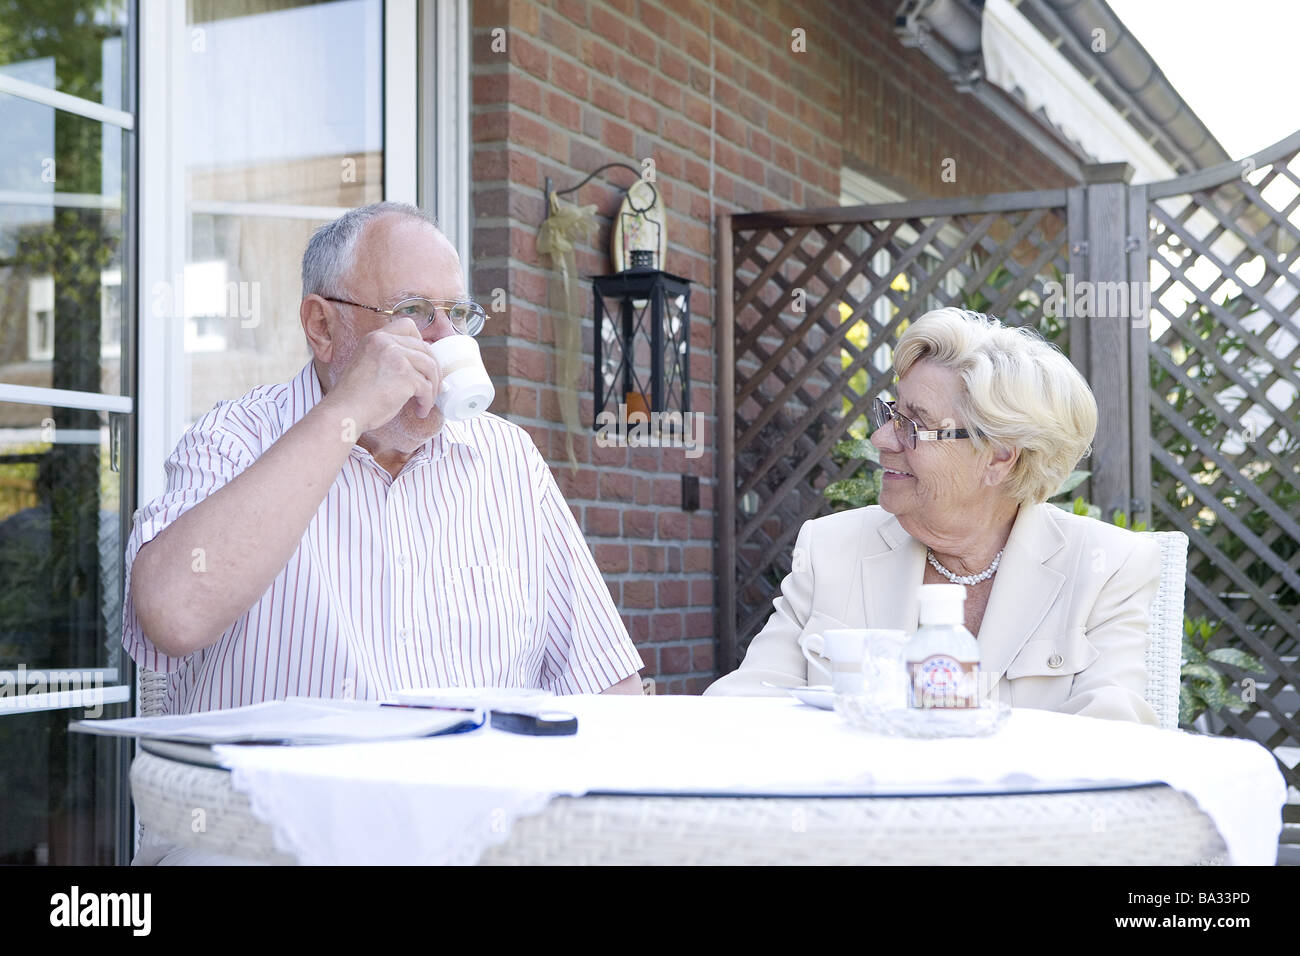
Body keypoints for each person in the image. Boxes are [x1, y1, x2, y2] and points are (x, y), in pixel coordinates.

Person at [706, 308, 1159, 724]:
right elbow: (746, 705)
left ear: (999, 456)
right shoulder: (832, 548)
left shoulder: (1106, 567)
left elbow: (1111, 737)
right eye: (891, 414)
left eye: (913, 424)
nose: (881, 438)